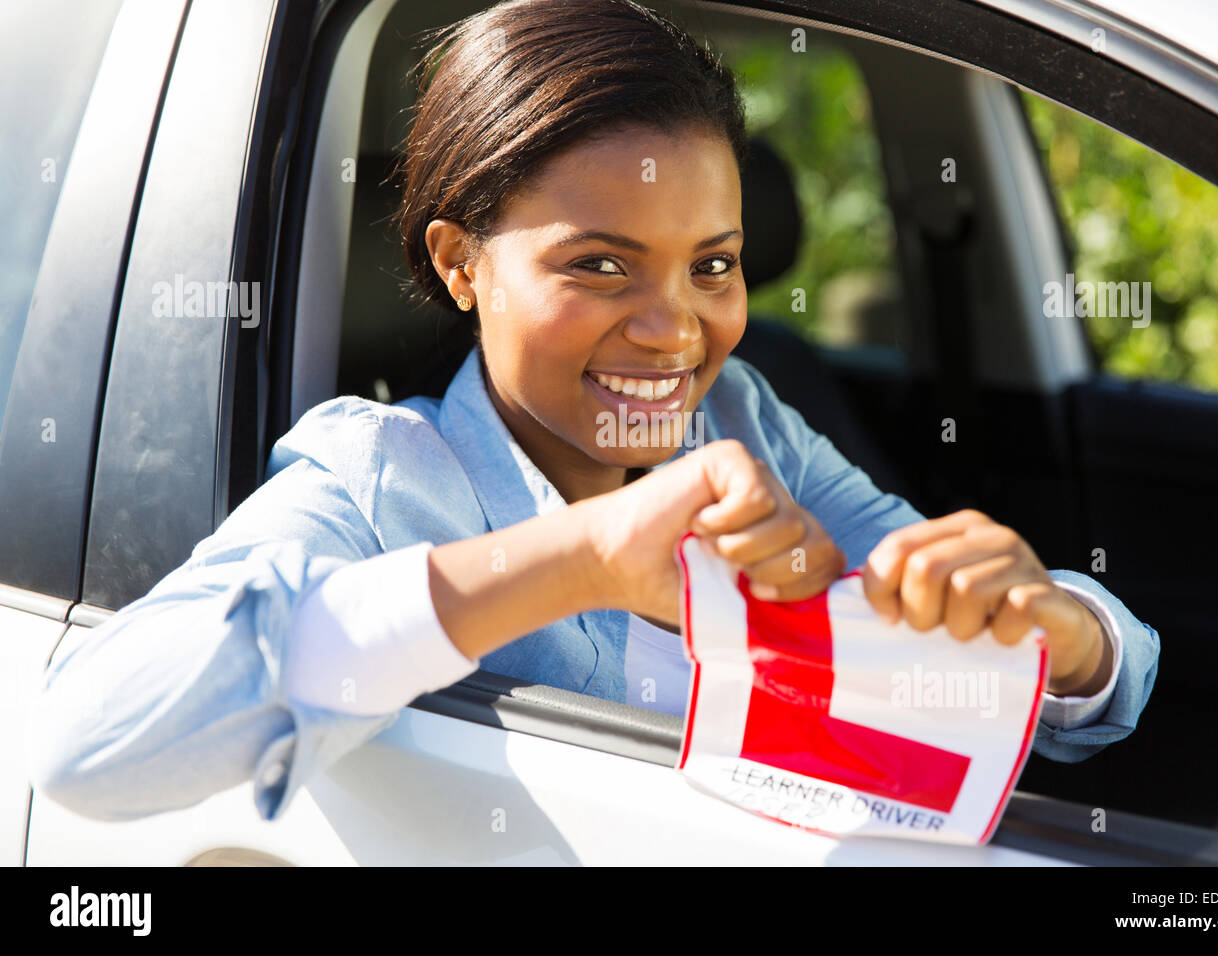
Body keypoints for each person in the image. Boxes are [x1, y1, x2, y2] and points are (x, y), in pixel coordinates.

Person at [26, 0, 1158, 824]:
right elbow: (83, 744)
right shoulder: (382, 480)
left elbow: (1104, 683)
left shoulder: (746, 427)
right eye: (603, 266)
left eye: (712, 265)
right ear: (461, 265)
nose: (675, 330)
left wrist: (1057, 629)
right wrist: (580, 560)